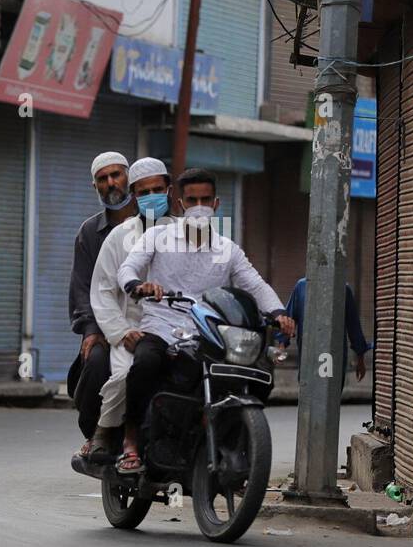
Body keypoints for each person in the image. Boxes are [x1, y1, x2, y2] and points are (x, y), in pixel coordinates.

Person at [114, 168, 296, 474]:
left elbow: (255, 285)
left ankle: (219, 436)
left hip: (209, 333)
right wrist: (138, 286)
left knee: (256, 373)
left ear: (216, 203)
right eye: (192, 199)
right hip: (161, 325)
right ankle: (130, 441)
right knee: (145, 363)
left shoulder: (228, 250)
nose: (199, 205)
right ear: (181, 203)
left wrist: (279, 314)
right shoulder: (156, 236)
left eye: (205, 199)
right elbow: (127, 269)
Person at [81, 157, 174, 463]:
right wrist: (120, 333)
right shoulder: (118, 237)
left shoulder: (188, 234)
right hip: (131, 331)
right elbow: (102, 292)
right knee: (123, 378)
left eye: (157, 190)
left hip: (177, 331)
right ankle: (105, 433)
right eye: (144, 192)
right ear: (133, 194)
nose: (151, 198)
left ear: (170, 190)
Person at [67, 151, 135, 451]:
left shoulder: (159, 226)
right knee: (95, 362)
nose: (111, 183)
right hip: (107, 323)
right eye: (102, 179)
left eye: (116, 175)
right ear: (95, 186)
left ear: (128, 178)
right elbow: (82, 286)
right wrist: (92, 329)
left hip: (153, 319)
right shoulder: (89, 233)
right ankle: (96, 432)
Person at [277, 278, 371, 383]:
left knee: (332, 388)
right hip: (309, 352)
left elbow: (353, 324)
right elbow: (289, 318)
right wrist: (281, 346)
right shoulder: (302, 286)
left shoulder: (343, 288)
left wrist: (360, 357)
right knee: (308, 388)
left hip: (334, 353)